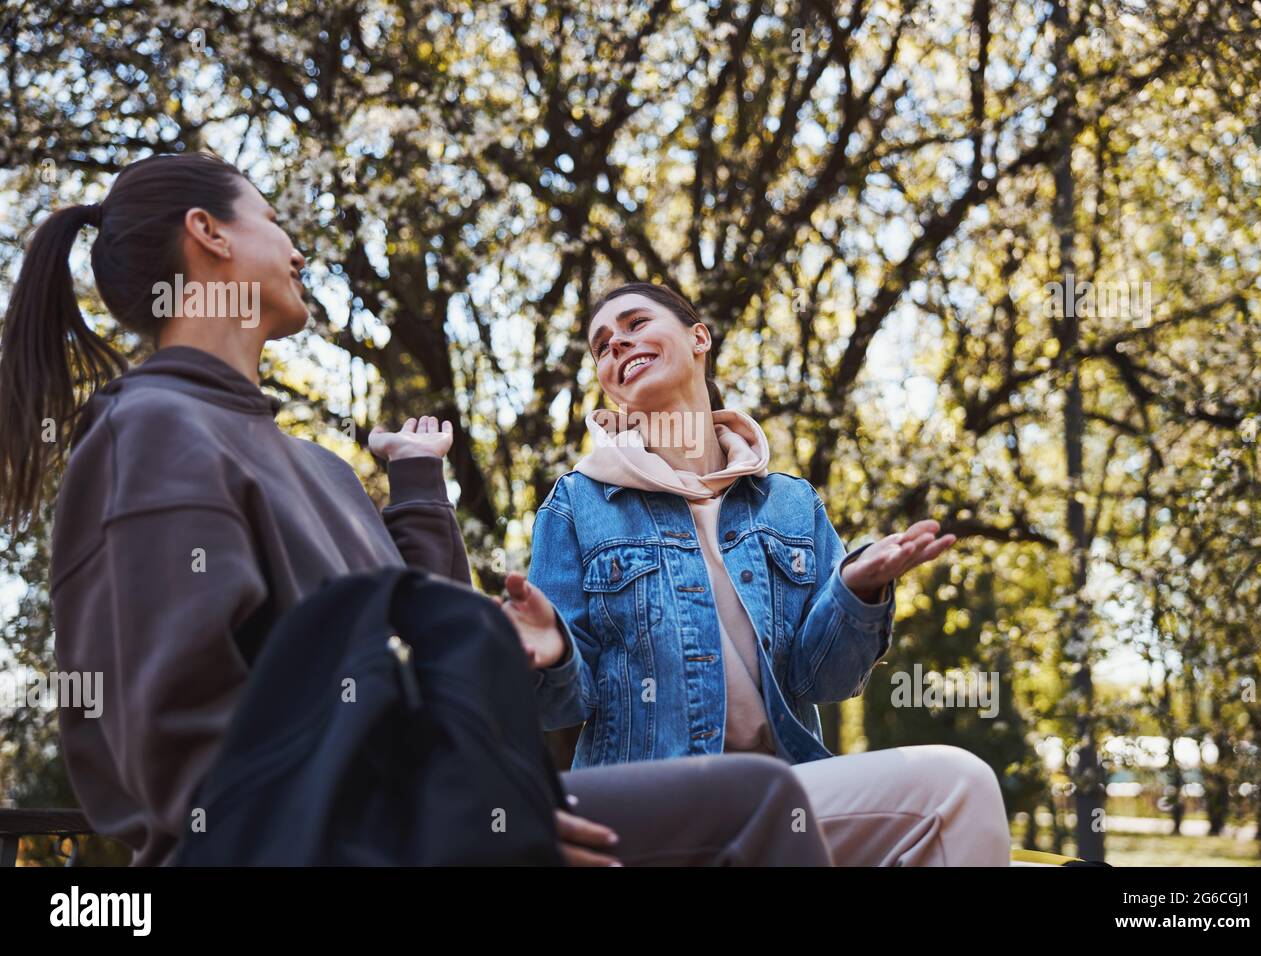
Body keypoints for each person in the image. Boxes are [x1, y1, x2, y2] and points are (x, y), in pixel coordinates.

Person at [0, 155, 830, 867]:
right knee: (758, 805)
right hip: (308, 846)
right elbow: (180, 755)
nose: (297, 251)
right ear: (209, 234)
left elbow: (424, 654)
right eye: (273, 220)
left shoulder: (313, 468)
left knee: (768, 799)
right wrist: (438, 827)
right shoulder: (152, 433)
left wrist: (421, 493)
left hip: (418, 823)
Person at [513, 281, 1012, 865]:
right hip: (654, 809)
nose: (617, 344)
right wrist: (549, 655)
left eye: (634, 325)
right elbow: (561, 707)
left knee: (959, 786)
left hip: (784, 797)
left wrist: (858, 590)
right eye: (601, 345)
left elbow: (821, 681)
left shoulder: (792, 505)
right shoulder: (576, 506)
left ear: (699, 337)